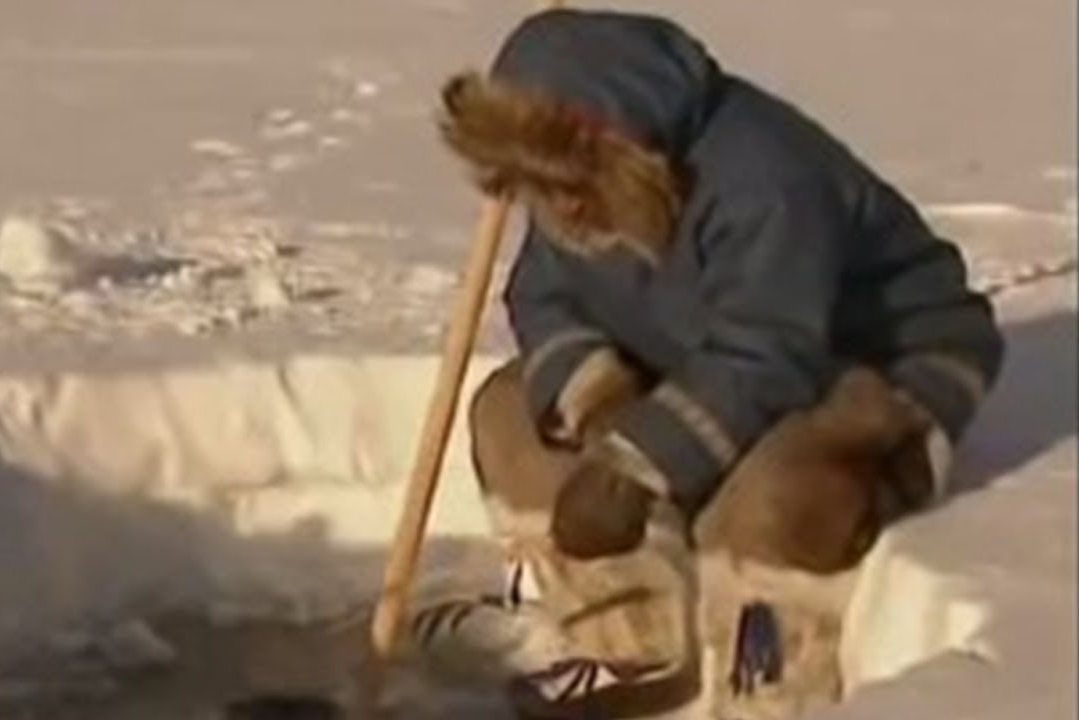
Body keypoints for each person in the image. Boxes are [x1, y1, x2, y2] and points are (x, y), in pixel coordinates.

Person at [403, 8, 1004, 719]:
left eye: (569, 180)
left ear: (623, 142)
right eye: (536, 182)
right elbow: (543, 297)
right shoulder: (573, 184)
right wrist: (599, 401)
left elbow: (771, 349)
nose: (558, 202)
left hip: (870, 361)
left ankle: (768, 688)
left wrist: (637, 462)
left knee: (772, 504)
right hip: (701, 350)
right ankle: (632, 646)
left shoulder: (766, 182)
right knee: (513, 415)